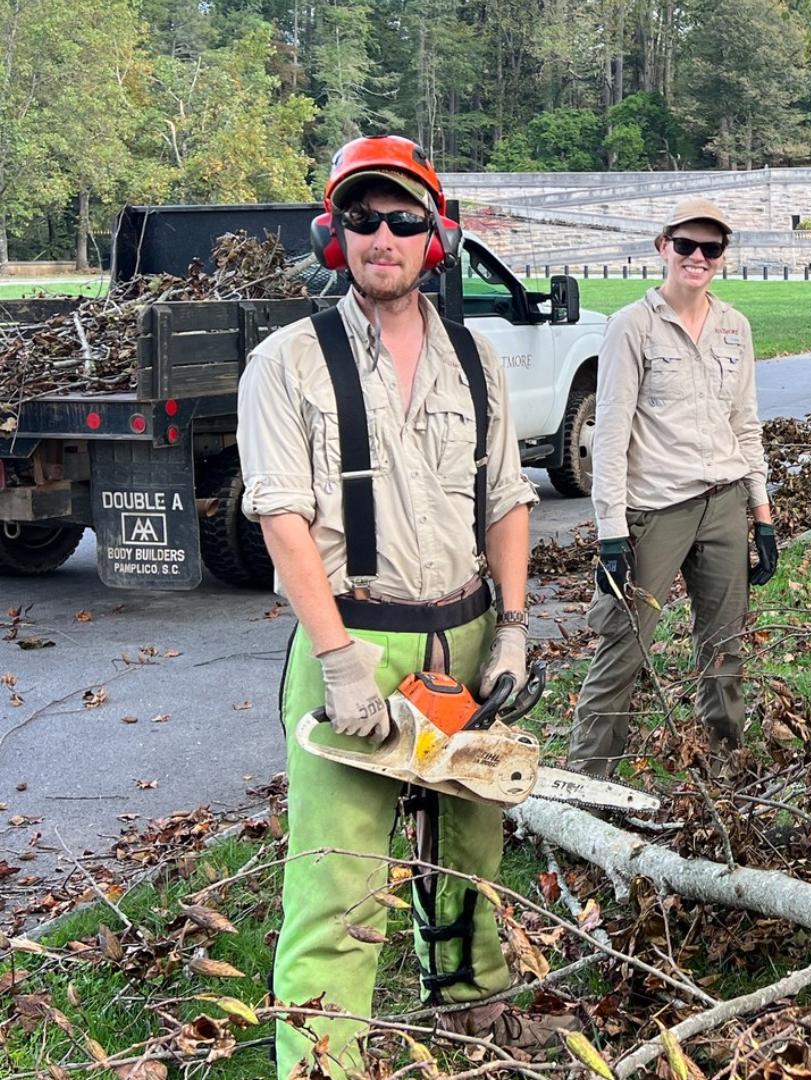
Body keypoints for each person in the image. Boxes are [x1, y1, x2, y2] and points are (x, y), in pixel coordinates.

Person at [237, 135, 540, 1077]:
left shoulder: (476, 359)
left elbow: (508, 502)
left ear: (433, 234)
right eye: (362, 216)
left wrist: (517, 628)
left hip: (466, 632)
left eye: (403, 217)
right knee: (339, 884)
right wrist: (336, 662)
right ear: (337, 233)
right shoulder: (286, 362)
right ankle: (322, 1060)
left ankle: (475, 1011)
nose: (383, 234)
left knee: (469, 854)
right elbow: (283, 521)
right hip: (356, 635)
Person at [568, 197, 775, 778]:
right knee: (625, 645)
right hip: (654, 511)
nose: (698, 257)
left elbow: (746, 422)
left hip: (725, 505)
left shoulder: (736, 327)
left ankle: (724, 767)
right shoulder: (631, 327)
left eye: (711, 248)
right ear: (663, 247)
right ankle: (589, 779)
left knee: (724, 648)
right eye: (686, 245)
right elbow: (608, 434)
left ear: (723, 257)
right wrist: (611, 530)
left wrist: (761, 514)